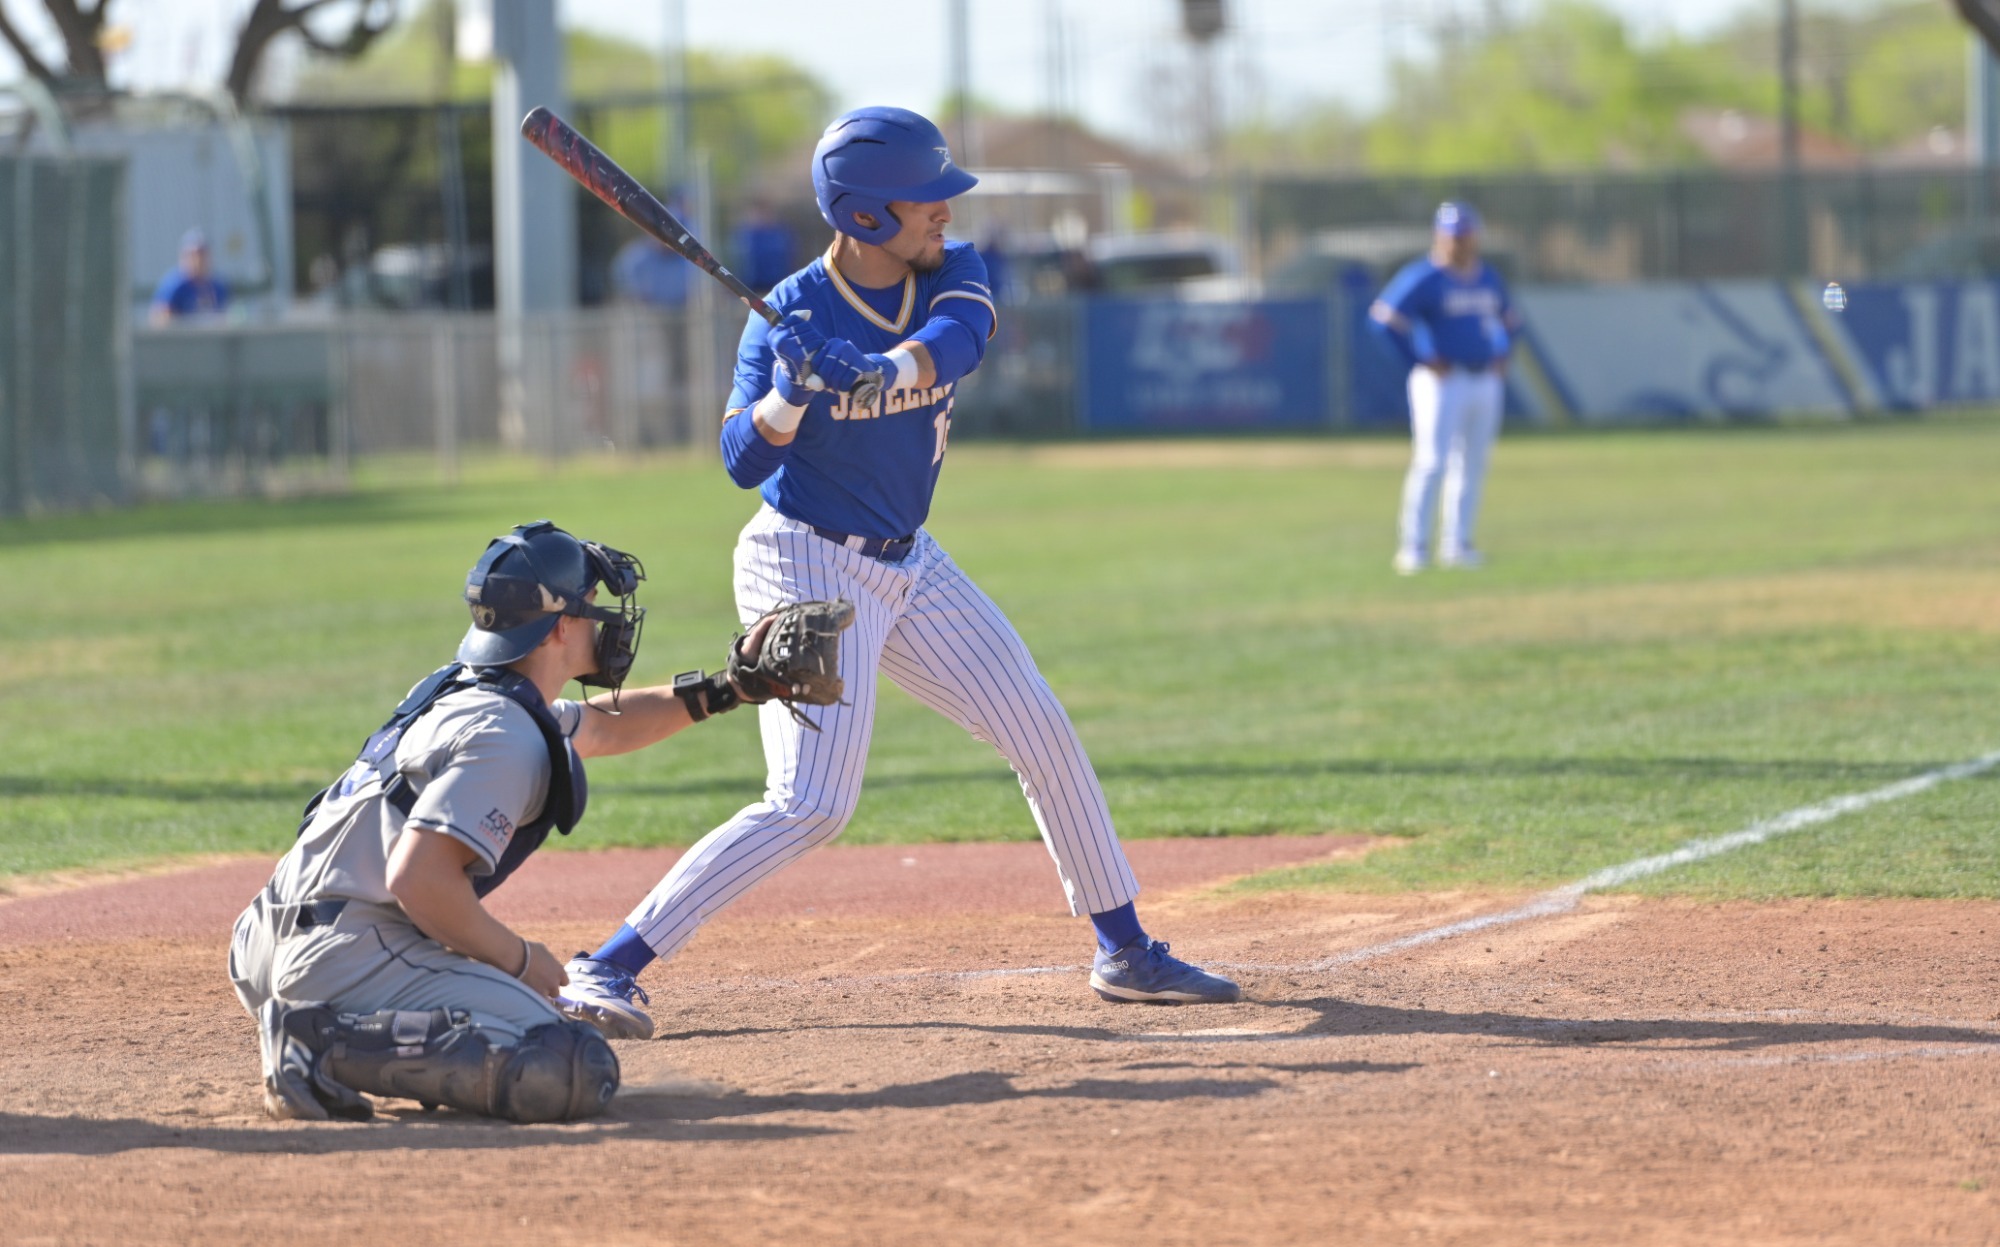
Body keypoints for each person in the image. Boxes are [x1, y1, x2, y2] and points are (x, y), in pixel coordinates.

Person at [557, 106, 1240, 1044]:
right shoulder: (788, 316)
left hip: (909, 559)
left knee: (1037, 723)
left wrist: (876, 370)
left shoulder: (952, 272)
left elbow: (960, 339)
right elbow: (739, 460)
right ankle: (609, 964)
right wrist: (790, 398)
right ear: (869, 216)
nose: (947, 216)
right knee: (812, 803)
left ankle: (1122, 948)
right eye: (928, 202)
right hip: (805, 560)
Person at [228, 520, 775, 1123]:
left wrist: (732, 689)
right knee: (567, 1064)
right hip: (348, 953)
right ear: (560, 626)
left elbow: (603, 727)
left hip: (266, 941)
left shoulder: (457, 693)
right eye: (593, 607)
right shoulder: (506, 734)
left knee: (520, 1023)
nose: (608, 623)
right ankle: (317, 1041)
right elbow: (419, 881)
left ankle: (323, 1020)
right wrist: (517, 958)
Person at [1370, 201, 1522, 574]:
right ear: (1440, 237)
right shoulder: (1425, 276)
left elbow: (1511, 320)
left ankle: (1458, 544)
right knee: (1432, 461)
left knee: (1472, 465)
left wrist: (1503, 353)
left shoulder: (1487, 276)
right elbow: (1384, 319)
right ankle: (1414, 546)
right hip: (1443, 380)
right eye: (1453, 236)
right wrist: (1419, 359)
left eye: (1465, 236)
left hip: (1483, 377)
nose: (1459, 243)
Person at [150, 228, 230, 325]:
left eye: (202, 254)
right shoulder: (174, 285)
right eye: (194, 255)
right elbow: (159, 319)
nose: (198, 260)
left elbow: (225, 317)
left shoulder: (217, 286)